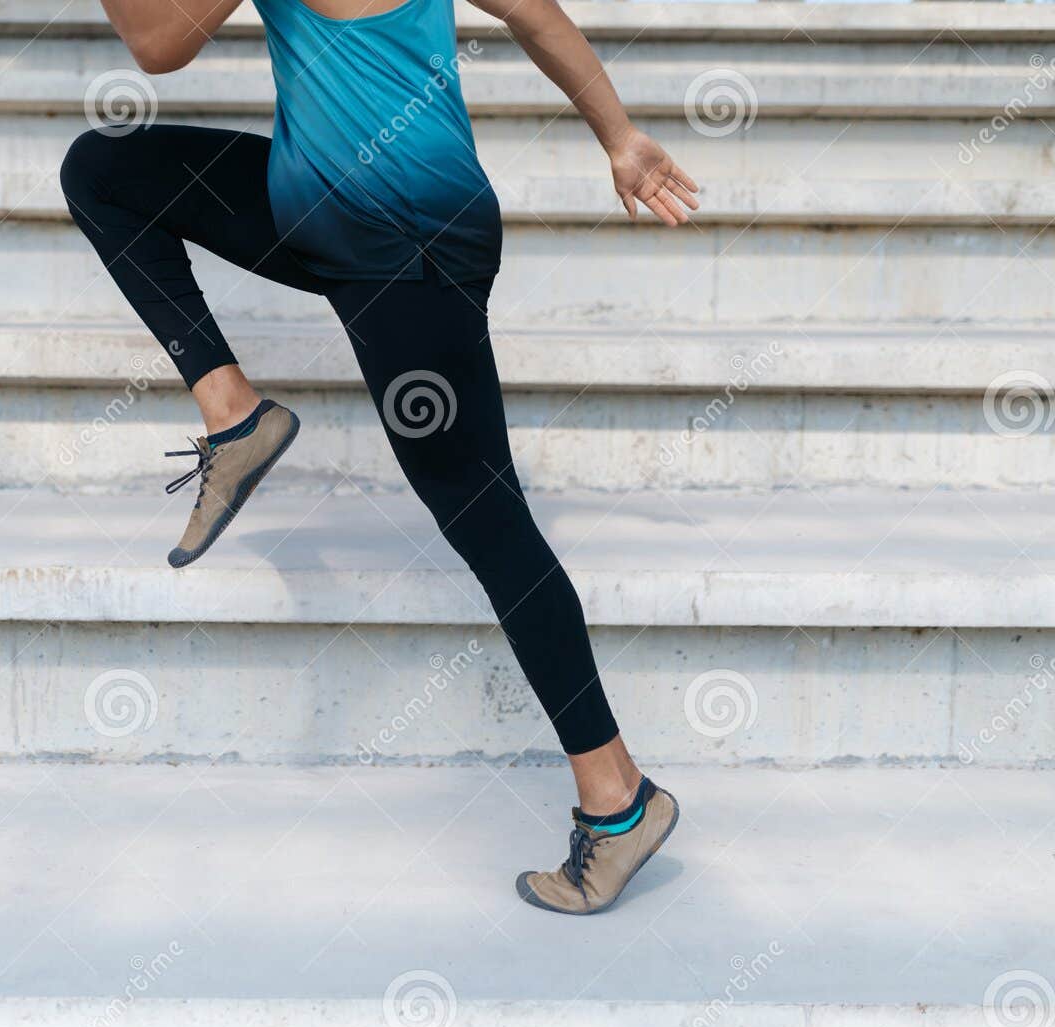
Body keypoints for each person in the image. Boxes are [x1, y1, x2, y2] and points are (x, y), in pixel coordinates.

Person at [61, 0, 700, 914]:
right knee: (106, 169)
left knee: (489, 524)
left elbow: (158, 46)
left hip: (405, 243)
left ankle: (619, 801)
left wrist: (622, 135)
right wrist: (620, 134)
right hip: (327, 209)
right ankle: (233, 413)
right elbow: (532, 12)